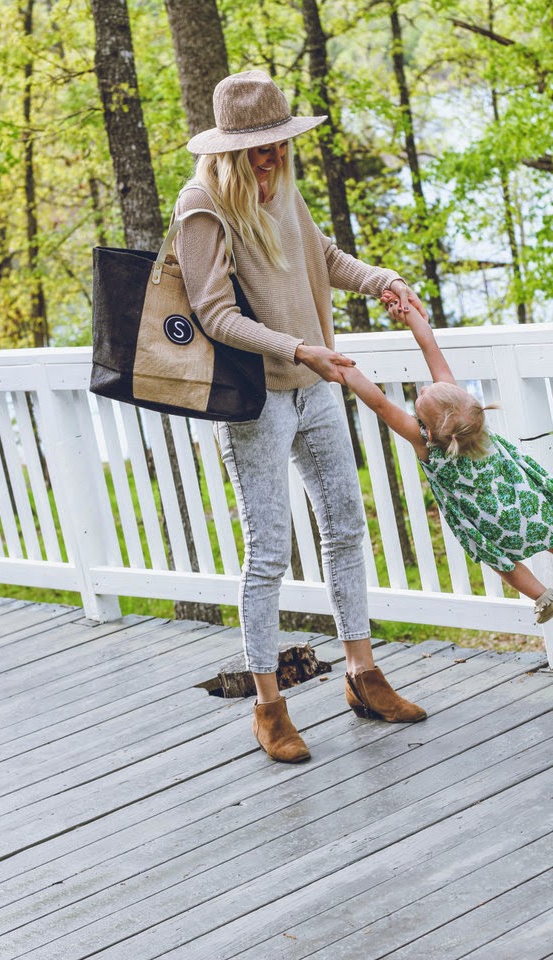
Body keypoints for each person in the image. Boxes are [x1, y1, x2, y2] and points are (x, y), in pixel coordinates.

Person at [173, 69, 427, 765]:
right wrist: (297, 349)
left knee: (346, 527)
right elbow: (213, 313)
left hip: (317, 387)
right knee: (269, 556)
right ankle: (268, 706)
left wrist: (383, 281)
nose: (274, 158)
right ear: (228, 150)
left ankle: (362, 675)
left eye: (280, 144)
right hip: (256, 399)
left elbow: (322, 258)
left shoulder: (284, 187)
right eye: (260, 149)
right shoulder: (202, 207)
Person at [342, 289, 553, 625]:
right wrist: (410, 314)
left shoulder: (427, 442)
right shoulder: (469, 419)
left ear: (428, 427)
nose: (423, 389)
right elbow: (432, 350)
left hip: (493, 526)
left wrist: (349, 374)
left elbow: (381, 406)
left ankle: (542, 595)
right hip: (526, 505)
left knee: (503, 564)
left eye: (422, 397)